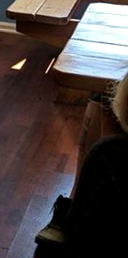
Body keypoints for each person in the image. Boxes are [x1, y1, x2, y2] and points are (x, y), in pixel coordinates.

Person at [35, 71, 128, 254]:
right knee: (99, 99)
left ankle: (74, 201)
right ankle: (75, 196)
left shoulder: (108, 153)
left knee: (107, 151)